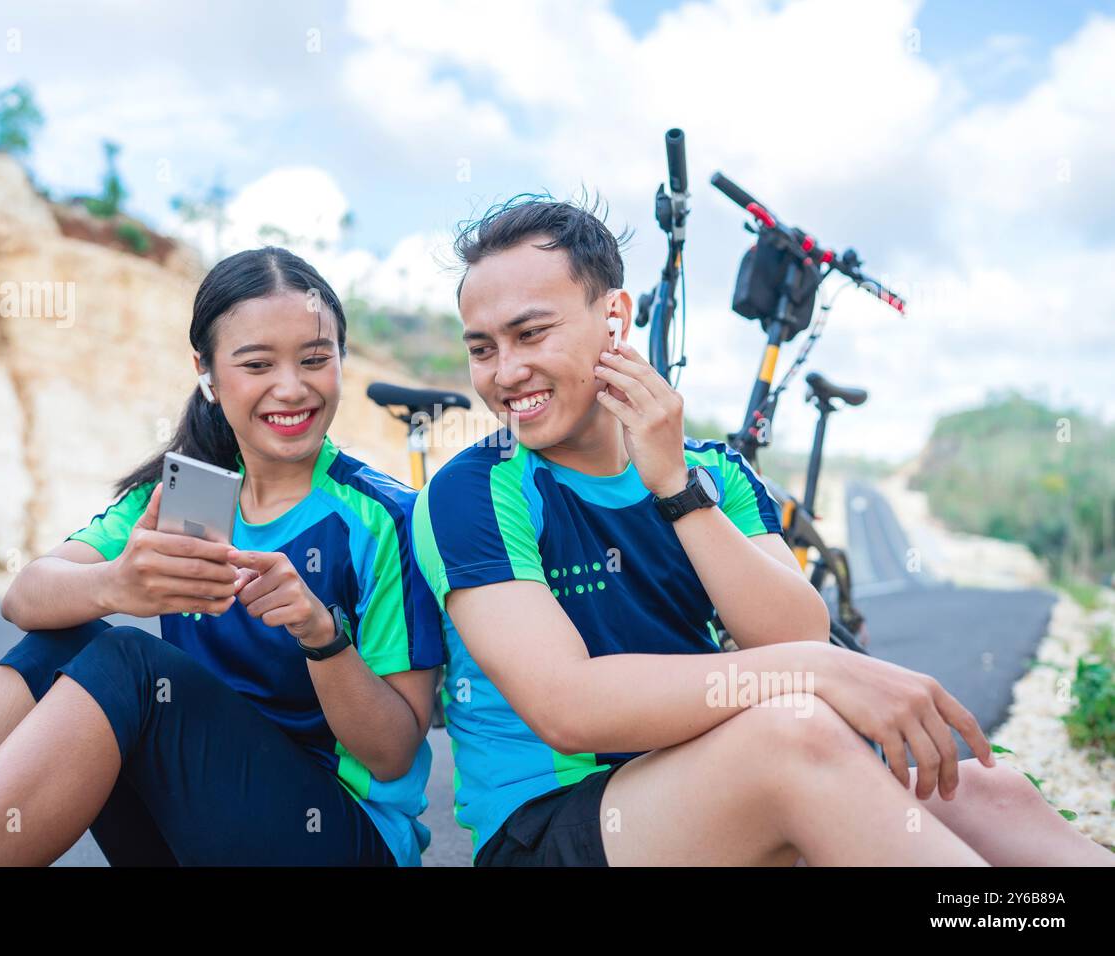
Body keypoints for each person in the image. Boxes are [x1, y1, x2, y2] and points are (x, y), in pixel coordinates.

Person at [410, 194, 1115, 867]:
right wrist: (823, 671)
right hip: (555, 828)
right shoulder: (473, 491)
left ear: (615, 315)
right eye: (483, 348)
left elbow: (791, 635)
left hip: (722, 783)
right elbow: (569, 707)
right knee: (794, 737)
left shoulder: (712, 471)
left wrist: (677, 491)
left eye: (531, 333)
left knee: (989, 793)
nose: (506, 372)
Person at [0, 247, 443, 867]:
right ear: (206, 372)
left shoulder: (383, 518)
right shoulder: (184, 497)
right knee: (61, 645)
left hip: (341, 840)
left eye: (316, 359)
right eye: (257, 363)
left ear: (341, 360)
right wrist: (116, 584)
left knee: (130, 663)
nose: (291, 387)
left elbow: (392, 753)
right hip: (197, 825)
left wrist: (322, 636)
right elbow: (25, 597)